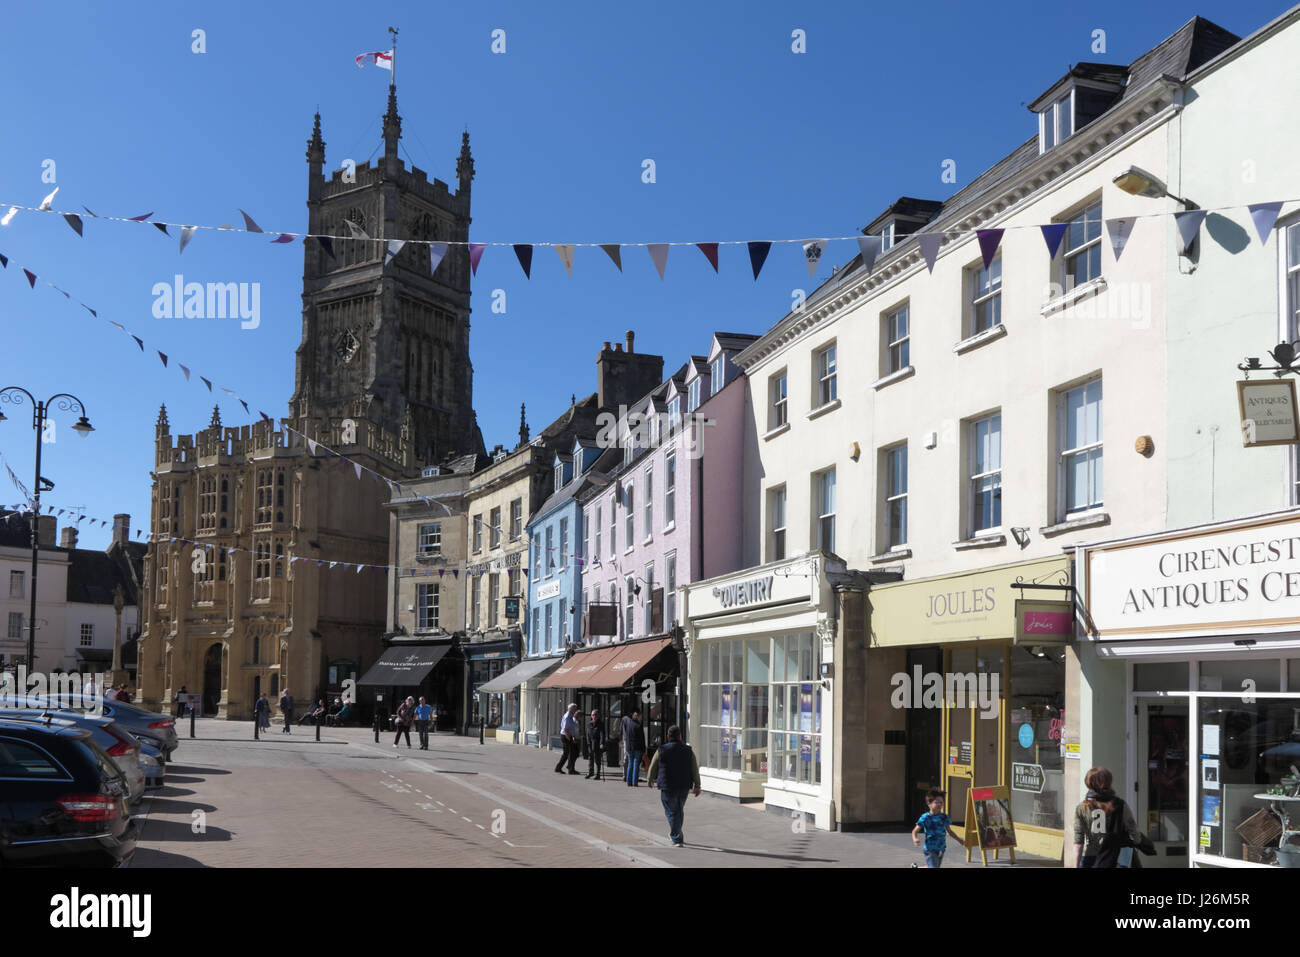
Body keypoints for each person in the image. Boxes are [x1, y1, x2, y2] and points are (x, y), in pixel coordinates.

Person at [1073, 766, 1153, 868]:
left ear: (1088, 783)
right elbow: (1133, 829)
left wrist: (1076, 865)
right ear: (1108, 783)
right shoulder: (1120, 805)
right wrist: (1137, 842)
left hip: (1090, 858)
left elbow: (1078, 841)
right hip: (1113, 857)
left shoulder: (1081, 807)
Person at [647, 725, 701, 847]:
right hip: (684, 786)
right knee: (678, 810)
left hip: (667, 785)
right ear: (680, 736)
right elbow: (694, 768)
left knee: (671, 811)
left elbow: (653, 765)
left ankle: (677, 837)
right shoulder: (688, 751)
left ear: (668, 736)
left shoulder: (661, 749)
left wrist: (650, 779)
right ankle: (677, 834)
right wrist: (697, 785)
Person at [911, 788, 963, 868]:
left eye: (941, 802)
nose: (939, 804)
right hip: (930, 848)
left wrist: (959, 840)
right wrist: (915, 839)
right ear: (929, 803)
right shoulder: (925, 817)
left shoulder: (944, 817)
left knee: (932, 866)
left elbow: (950, 831)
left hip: (941, 847)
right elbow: (915, 831)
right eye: (936, 802)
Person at [554, 703, 581, 774]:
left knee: (568, 753)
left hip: (568, 736)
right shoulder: (567, 717)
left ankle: (560, 767)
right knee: (569, 753)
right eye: (575, 709)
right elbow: (565, 729)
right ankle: (568, 769)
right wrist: (569, 739)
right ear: (572, 709)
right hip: (566, 736)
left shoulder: (570, 716)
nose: (575, 710)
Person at [622, 710, 646, 787]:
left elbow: (627, 737)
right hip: (637, 748)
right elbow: (642, 739)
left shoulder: (629, 725)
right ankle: (634, 782)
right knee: (636, 765)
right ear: (637, 717)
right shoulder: (638, 726)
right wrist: (643, 749)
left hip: (630, 748)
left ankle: (629, 781)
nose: (641, 718)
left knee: (630, 764)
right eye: (640, 716)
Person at [585, 709, 605, 780]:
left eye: (595, 715)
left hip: (597, 743)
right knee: (590, 758)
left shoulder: (600, 724)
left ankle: (598, 774)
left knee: (597, 759)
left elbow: (602, 734)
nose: (594, 716)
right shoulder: (589, 724)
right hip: (590, 743)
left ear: (598, 716)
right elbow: (587, 734)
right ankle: (591, 772)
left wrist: (602, 743)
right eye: (593, 715)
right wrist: (588, 742)